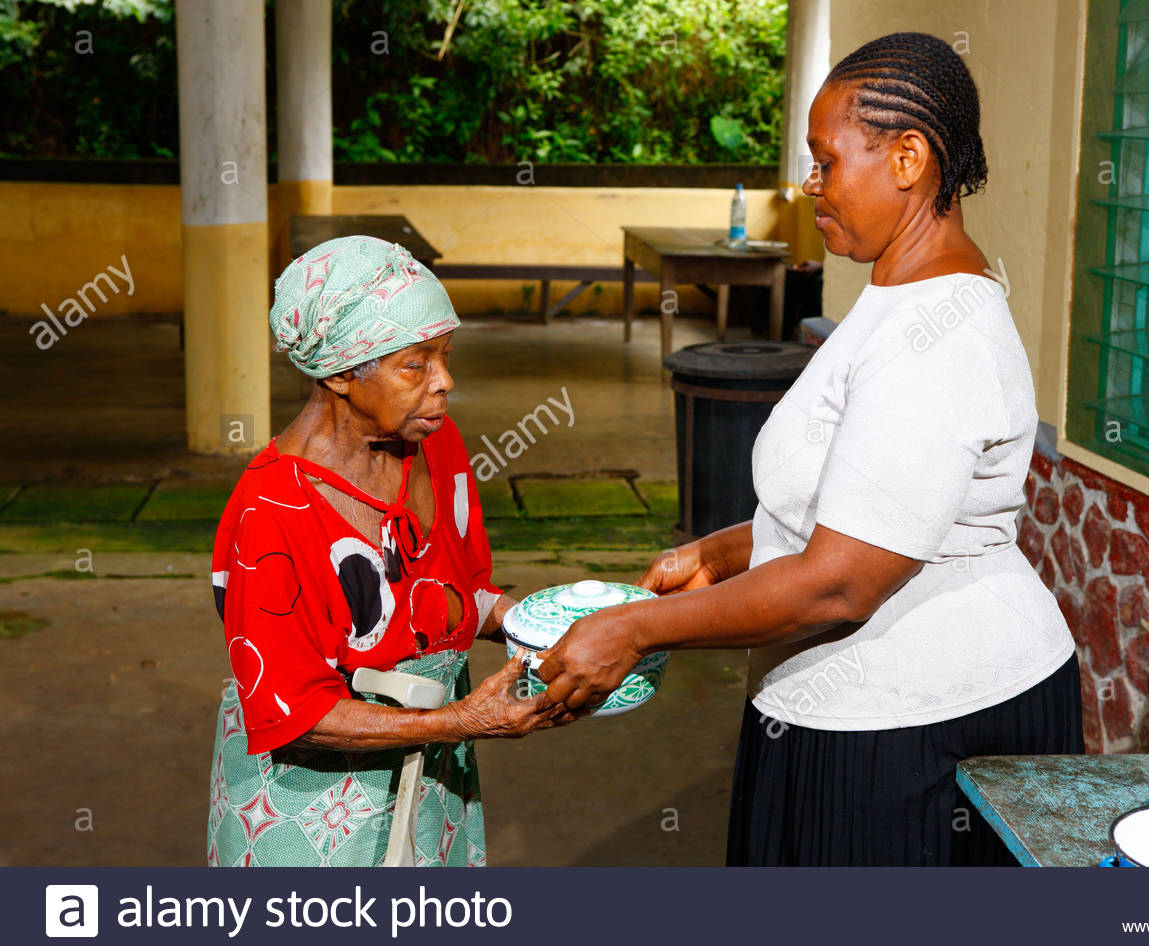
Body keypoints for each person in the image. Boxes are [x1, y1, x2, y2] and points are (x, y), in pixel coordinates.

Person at [536, 32, 1084, 866]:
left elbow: (841, 581)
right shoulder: (896, 296)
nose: (811, 183)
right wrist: (719, 553)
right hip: (850, 703)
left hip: (921, 719)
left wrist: (640, 630)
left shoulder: (937, 334)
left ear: (908, 158)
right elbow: (856, 501)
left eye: (827, 162)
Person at [207, 236, 577, 867]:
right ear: (340, 373)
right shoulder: (271, 508)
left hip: (428, 771)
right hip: (313, 803)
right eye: (416, 364)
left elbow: (460, 593)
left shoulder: (438, 447)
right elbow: (297, 712)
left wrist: (544, 627)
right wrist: (463, 721)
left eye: (445, 357)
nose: (445, 382)